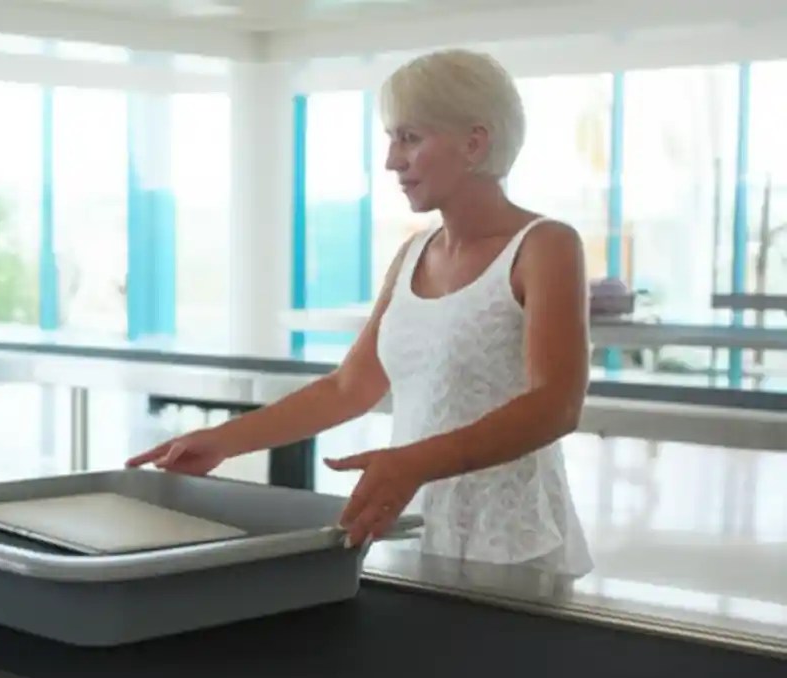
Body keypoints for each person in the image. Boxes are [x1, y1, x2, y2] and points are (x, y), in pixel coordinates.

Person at [127, 48, 593, 577]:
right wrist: (222, 440)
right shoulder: (414, 253)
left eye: (409, 139)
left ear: (474, 142)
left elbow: (555, 405)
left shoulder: (546, 245)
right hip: (410, 525)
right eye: (393, 139)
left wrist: (416, 461)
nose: (393, 160)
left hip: (516, 542)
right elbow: (350, 387)